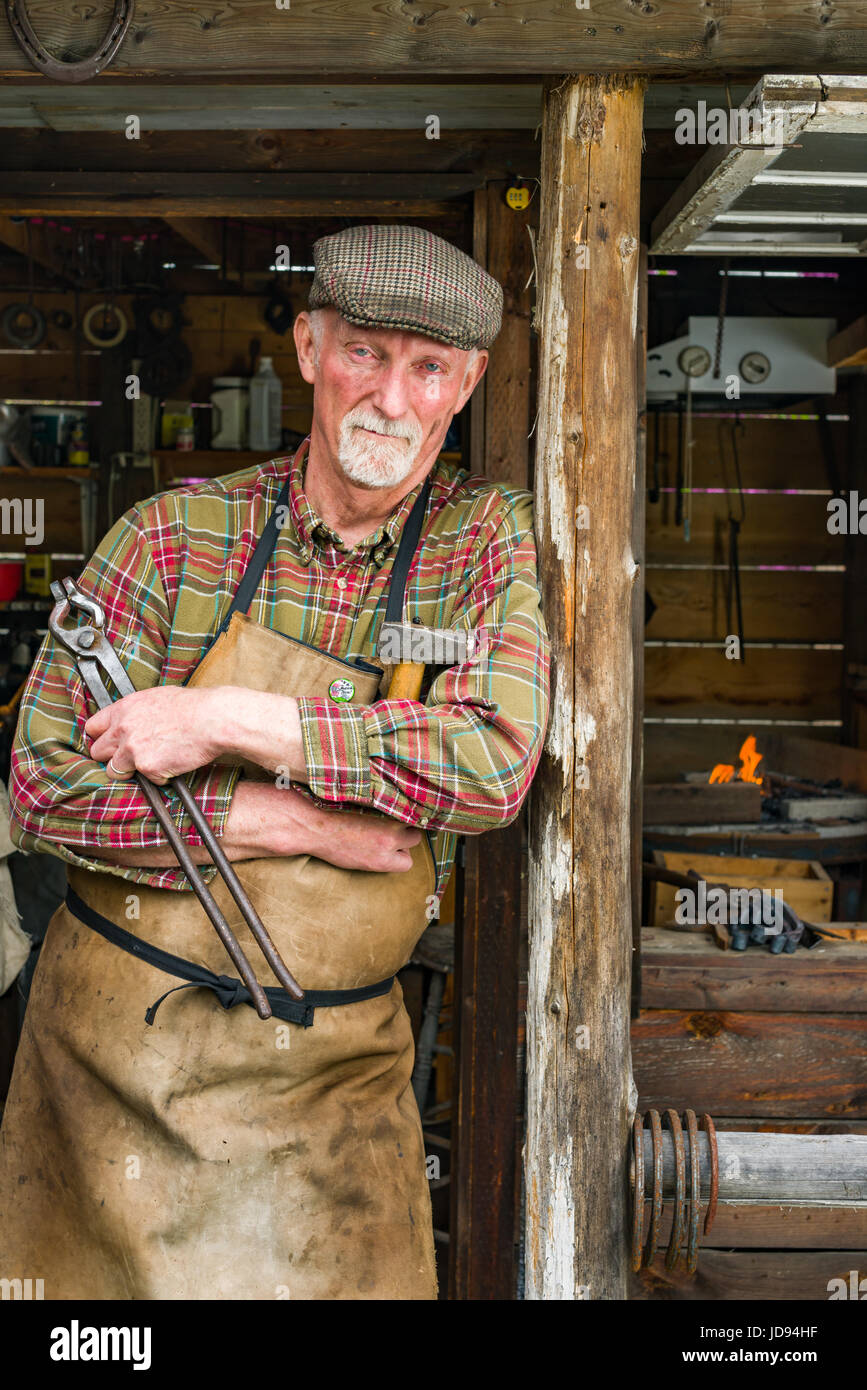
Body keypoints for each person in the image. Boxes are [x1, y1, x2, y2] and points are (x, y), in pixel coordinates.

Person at [0, 223, 551, 1300]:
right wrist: (291, 824)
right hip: (112, 1078)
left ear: (467, 382)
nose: (391, 399)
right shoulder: (170, 538)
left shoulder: (479, 547)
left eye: (427, 367)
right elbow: (43, 782)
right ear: (308, 348)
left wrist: (228, 723)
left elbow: (490, 761)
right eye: (365, 354)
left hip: (334, 1090)